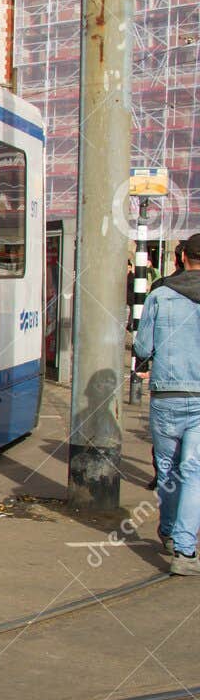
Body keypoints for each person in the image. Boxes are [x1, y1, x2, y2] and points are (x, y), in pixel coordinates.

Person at [133, 232, 200, 575]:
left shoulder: (159, 295)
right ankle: (185, 553)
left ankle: (170, 532)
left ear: (183, 258)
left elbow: (143, 348)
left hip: (166, 394)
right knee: (194, 471)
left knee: (168, 469)